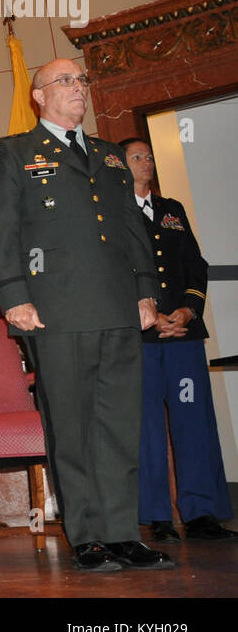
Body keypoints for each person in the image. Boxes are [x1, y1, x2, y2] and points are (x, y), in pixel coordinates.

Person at [0, 58, 169, 573]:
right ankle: (87, 535)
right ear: (38, 96)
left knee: (118, 423)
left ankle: (122, 532)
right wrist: (14, 296)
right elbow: (1, 231)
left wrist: (146, 290)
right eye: (64, 81)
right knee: (72, 423)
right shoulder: (15, 152)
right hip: (54, 312)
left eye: (82, 80)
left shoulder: (110, 157)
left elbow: (132, 230)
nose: (77, 89)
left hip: (117, 307)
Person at [120, 138, 237, 543]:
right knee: (147, 428)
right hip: (142, 339)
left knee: (194, 423)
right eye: (137, 157)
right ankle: (157, 517)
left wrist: (187, 311)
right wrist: (151, 319)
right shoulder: (112, 214)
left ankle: (202, 512)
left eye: (149, 156)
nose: (146, 162)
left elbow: (195, 266)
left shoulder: (172, 211)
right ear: (120, 164)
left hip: (183, 335)